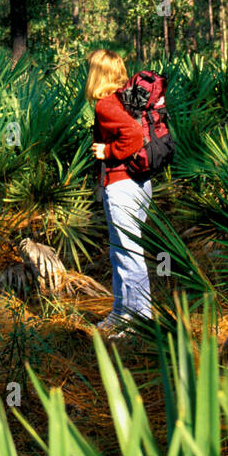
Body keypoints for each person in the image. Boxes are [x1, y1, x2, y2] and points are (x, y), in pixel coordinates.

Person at [85, 48, 153, 337]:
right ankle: (121, 312)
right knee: (120, 251)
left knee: (128, 252)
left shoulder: (106, 105)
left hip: (123, 185)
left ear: (97, 73)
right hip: (141, 182)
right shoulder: (128, 100)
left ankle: (138, 320)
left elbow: (134, 136)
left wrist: (107, 151)